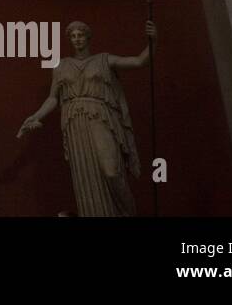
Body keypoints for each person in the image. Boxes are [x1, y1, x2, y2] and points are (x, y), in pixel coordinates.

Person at [17, 19, 155, 216]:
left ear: (87, 37)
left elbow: (139, 61)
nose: (77, 39)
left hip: (99, 117)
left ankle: (128, 214)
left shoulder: (104, 60)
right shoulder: (60, 65)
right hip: (74, 121)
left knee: (112, 171)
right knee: (85, 176)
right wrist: (35, 116)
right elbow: (53, 98)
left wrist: (153, 40)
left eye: (80, 35)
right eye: (73, 36)